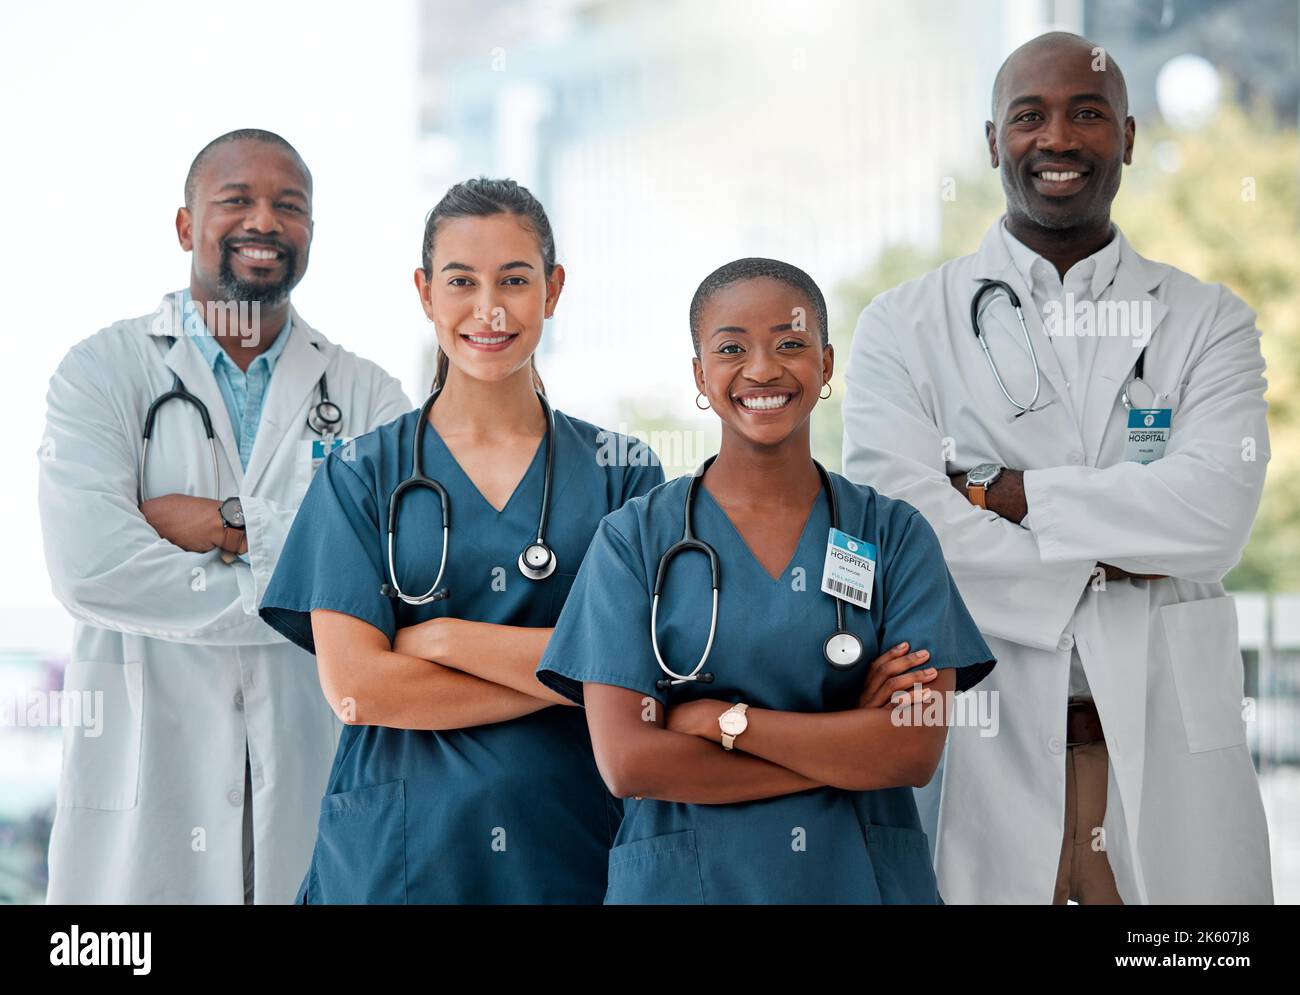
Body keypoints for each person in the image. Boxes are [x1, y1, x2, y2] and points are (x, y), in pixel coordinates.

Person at [842, 32, 1273, 904]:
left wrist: (1008, 494)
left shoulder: (1206, 320)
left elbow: (1215, 515)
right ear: (991, 139)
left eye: (1088, 113)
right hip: (982, 751)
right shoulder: (904, 324)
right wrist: (1124, 546)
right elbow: (907, 535)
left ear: (1129, 136)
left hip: (1165, 758)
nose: (1059, 139)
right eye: (1030, 116)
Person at [535, 258, 995, 904]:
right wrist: (845, 741)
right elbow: (629, 761)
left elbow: (912, 748)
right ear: (699, 373)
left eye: (791, 343)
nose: (762, 369)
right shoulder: (634, 540)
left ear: (827, 364)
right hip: (687, 885)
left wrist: (724, 721)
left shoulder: (893, 535)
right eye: (731, 349)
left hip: (855, 881)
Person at [258, 178, 664, 904]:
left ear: (554, 288)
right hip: (397, 861)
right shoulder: (361, 475)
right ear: (424, 292)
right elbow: (357, 688)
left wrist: (440, 638)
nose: (489, 308)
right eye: (461, 281)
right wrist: (570, 676)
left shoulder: (623, 476)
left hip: (567, 853)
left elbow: (637, 683)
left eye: (515, 279)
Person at [38, 129, 412, 903]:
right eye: (237, 200)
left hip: (314, 788)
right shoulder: (101, 373)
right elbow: (95, 570)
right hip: (147, 806)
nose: (265, 222)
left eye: (290, 206)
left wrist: (230, 525)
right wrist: (311, 585)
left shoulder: (370, 395)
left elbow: (399, 574)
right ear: (186, 226)